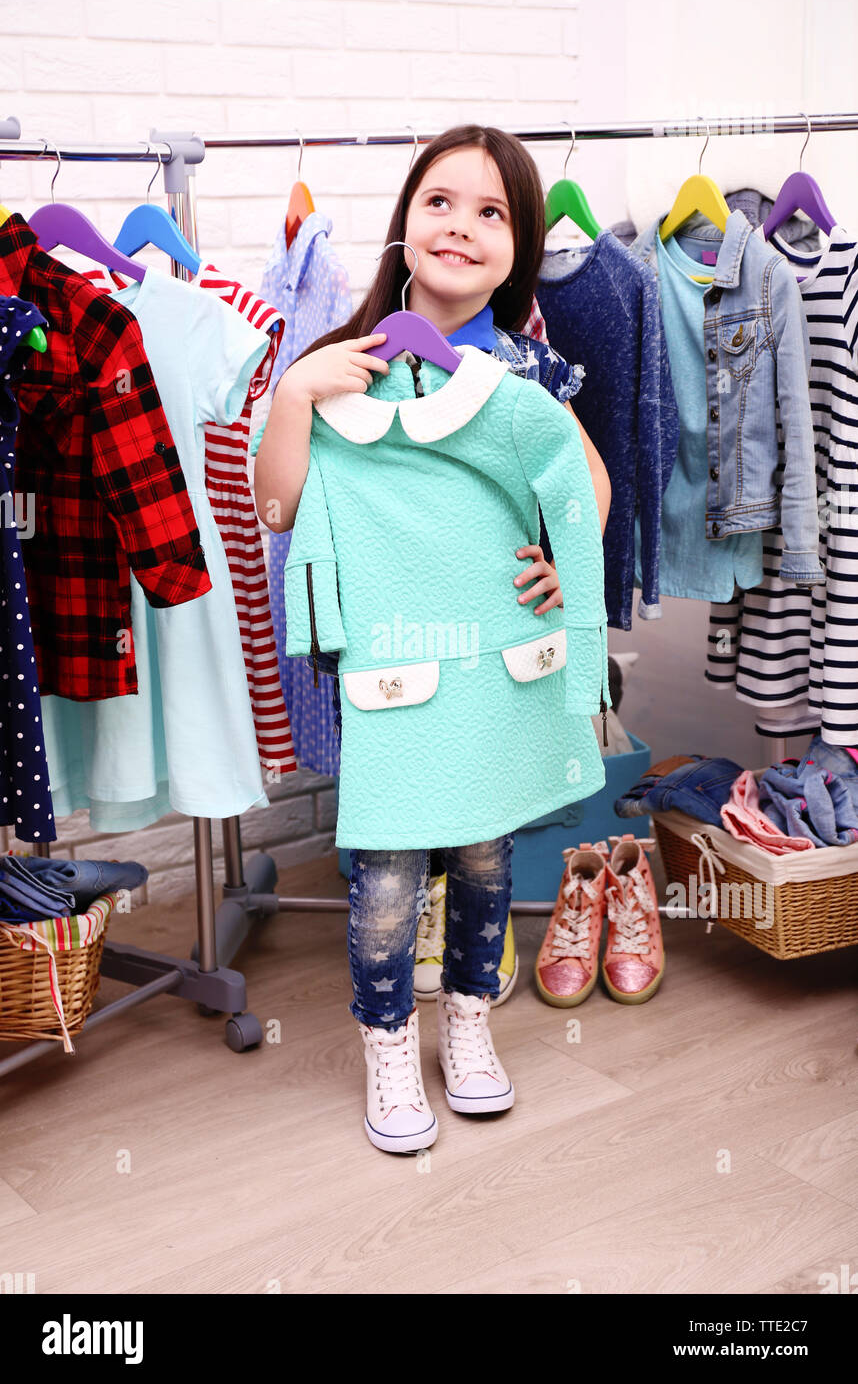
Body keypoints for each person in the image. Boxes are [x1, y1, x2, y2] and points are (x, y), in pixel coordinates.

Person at [254, 123, 611, 1155]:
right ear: (403, 222)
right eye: (440, 202)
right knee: (385, 874)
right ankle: (384, 1037)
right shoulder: (336, 365)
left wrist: (557, 559)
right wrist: (290, 398)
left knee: (487, 854)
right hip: (390, 662)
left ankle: (466, 1024)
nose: (461, 227)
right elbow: (276, 509)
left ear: (521, 244)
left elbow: (581, 484)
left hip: (492, 664)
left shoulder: (527, 371)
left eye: (491, 212)